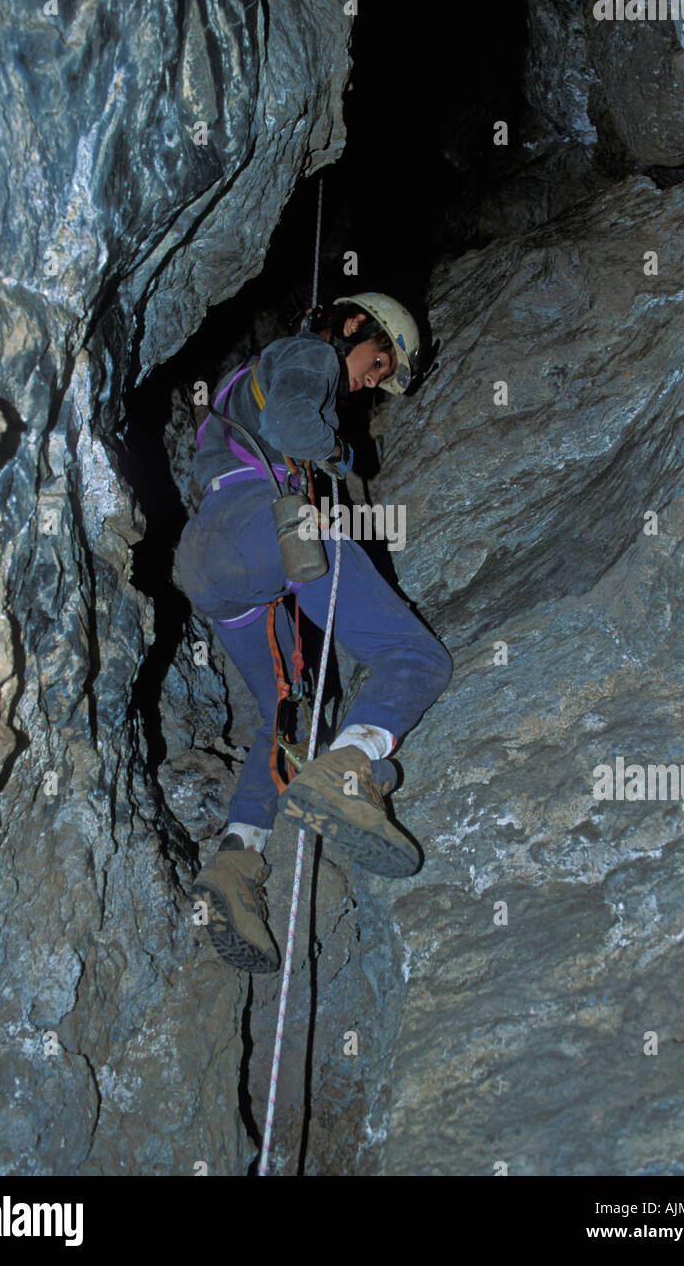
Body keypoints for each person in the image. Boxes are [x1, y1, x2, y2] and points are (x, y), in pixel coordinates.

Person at [174, 291, 452, 972]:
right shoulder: (305, 352)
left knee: (289, 716)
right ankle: (353, 773)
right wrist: (339, 450)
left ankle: (235, 867)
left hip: (207, 556)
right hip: (265, 521)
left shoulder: (245, 382)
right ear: (353, 325)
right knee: (411, 657)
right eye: (377, 361)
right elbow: (301, 428)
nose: (370, 380)